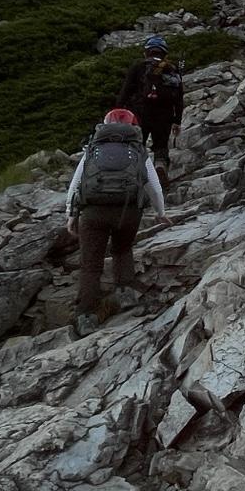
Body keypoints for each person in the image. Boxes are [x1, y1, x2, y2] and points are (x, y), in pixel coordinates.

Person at [66, 108, 166, 337]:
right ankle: (125, 293)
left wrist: (71, 215)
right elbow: (153, 186)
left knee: (91, 265)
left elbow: (76, 184)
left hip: (94, 212)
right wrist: (161, 212)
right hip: (128, 210)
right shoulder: (137, 149)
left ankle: (86, 316)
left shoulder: (92, 149)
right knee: (122, 249)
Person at [115, 35, 185, 178]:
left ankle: (134, 174)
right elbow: (179, 97)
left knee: (136, 143)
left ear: (146, 52)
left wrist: (118, 110)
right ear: (164, 53)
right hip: (164, 114)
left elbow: (126, 90)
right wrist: (177, 120)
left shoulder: (138, 66)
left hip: (140, 112)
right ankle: (160, 166)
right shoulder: (171, 69)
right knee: (161, 145)